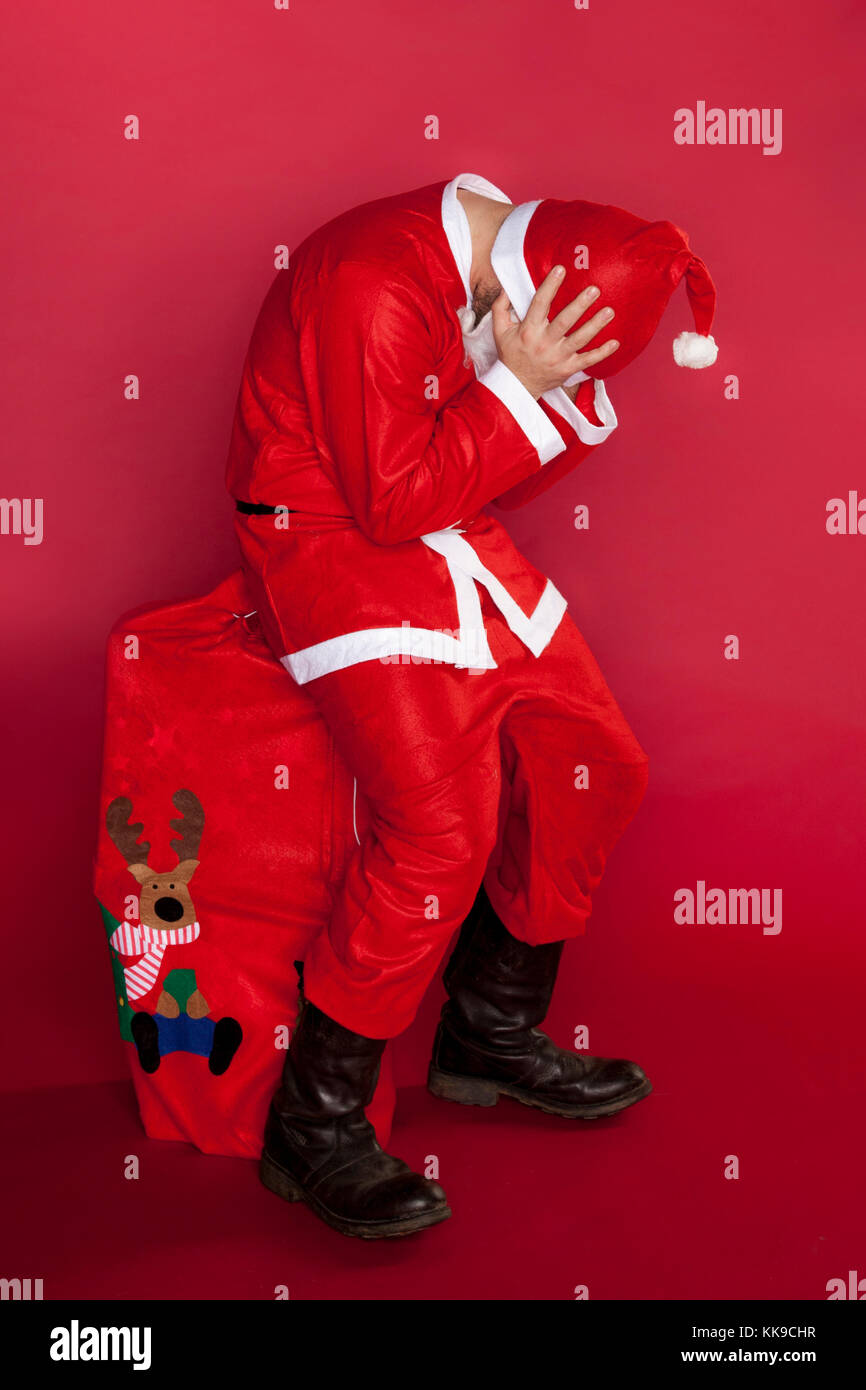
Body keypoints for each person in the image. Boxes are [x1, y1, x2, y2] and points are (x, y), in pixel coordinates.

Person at [226, 172, 718, 1239]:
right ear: (519, 291)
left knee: (591, 765)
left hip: (433, 524)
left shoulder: (498, 265)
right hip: (327, 539)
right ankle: (311, 1127)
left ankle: (487, 1035)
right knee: (440, 832)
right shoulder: (371, 281)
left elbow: (473, 485)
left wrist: (532, 380)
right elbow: (390, 500)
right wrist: (517, 384)